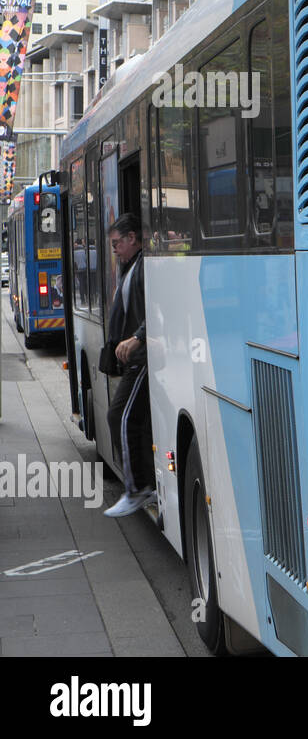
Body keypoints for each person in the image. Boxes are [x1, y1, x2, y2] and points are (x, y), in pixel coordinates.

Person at [102, 213, 154, 518]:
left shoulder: (143, 266)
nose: (115, 251)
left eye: (117, 244)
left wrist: (137, 338)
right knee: (127, 417)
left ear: (132, 238)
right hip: (137, 357)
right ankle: (143, 485)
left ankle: (137, 488)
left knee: (119, 416)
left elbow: (157, 307)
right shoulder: (132, 266)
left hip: (144, 357)